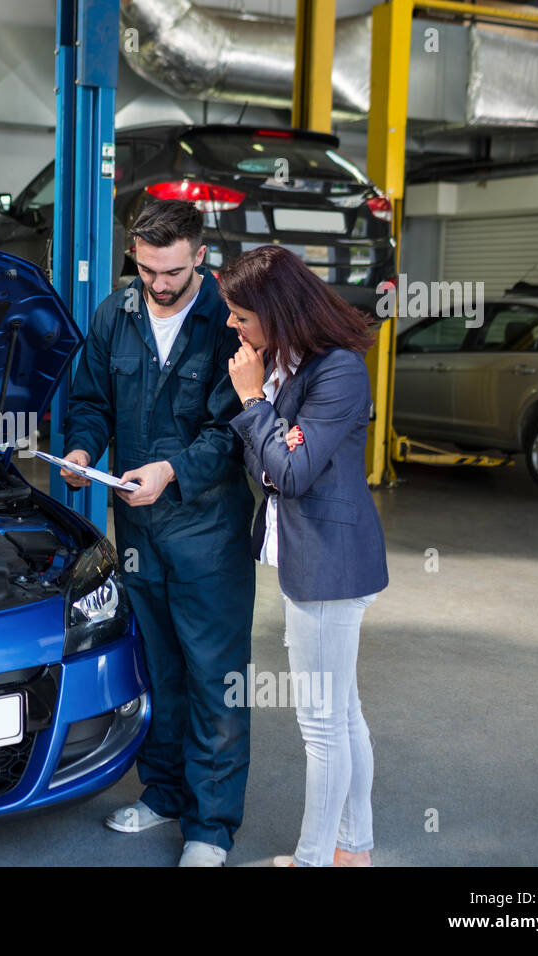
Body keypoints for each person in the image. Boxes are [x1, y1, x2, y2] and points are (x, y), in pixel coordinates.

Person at [60, 199, 255, 867]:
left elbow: (233, 431)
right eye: (146, 269)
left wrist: (172, 471)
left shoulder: (229, 321)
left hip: (207, 533)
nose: (158, 283)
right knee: (159, 671)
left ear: (199, 255)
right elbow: (89, 400)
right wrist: (83, 452)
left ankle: (211, 827)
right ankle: (164, 794)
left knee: (214, 679)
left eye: (171, 271)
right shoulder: (117, 314)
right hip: (138, 525)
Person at [222, 244, 388, 867]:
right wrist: (265, 407)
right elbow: (267, 465)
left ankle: (315, 859)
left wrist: (252, 402)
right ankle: (354, 850)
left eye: (241, 316)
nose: (233, 328)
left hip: (331, 564)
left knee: (322, 724)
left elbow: (288, 472)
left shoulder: (335, 371)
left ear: (276, 309)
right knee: (342, 715)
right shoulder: (290, 366)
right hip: (312, 559)